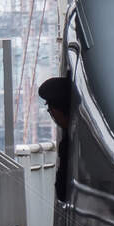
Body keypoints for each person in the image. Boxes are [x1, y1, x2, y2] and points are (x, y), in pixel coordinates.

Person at [38, 75, 73, 203]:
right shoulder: (71, 137)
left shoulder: (70, 142)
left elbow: (62, 191)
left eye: (50, 109)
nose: (50, 112)